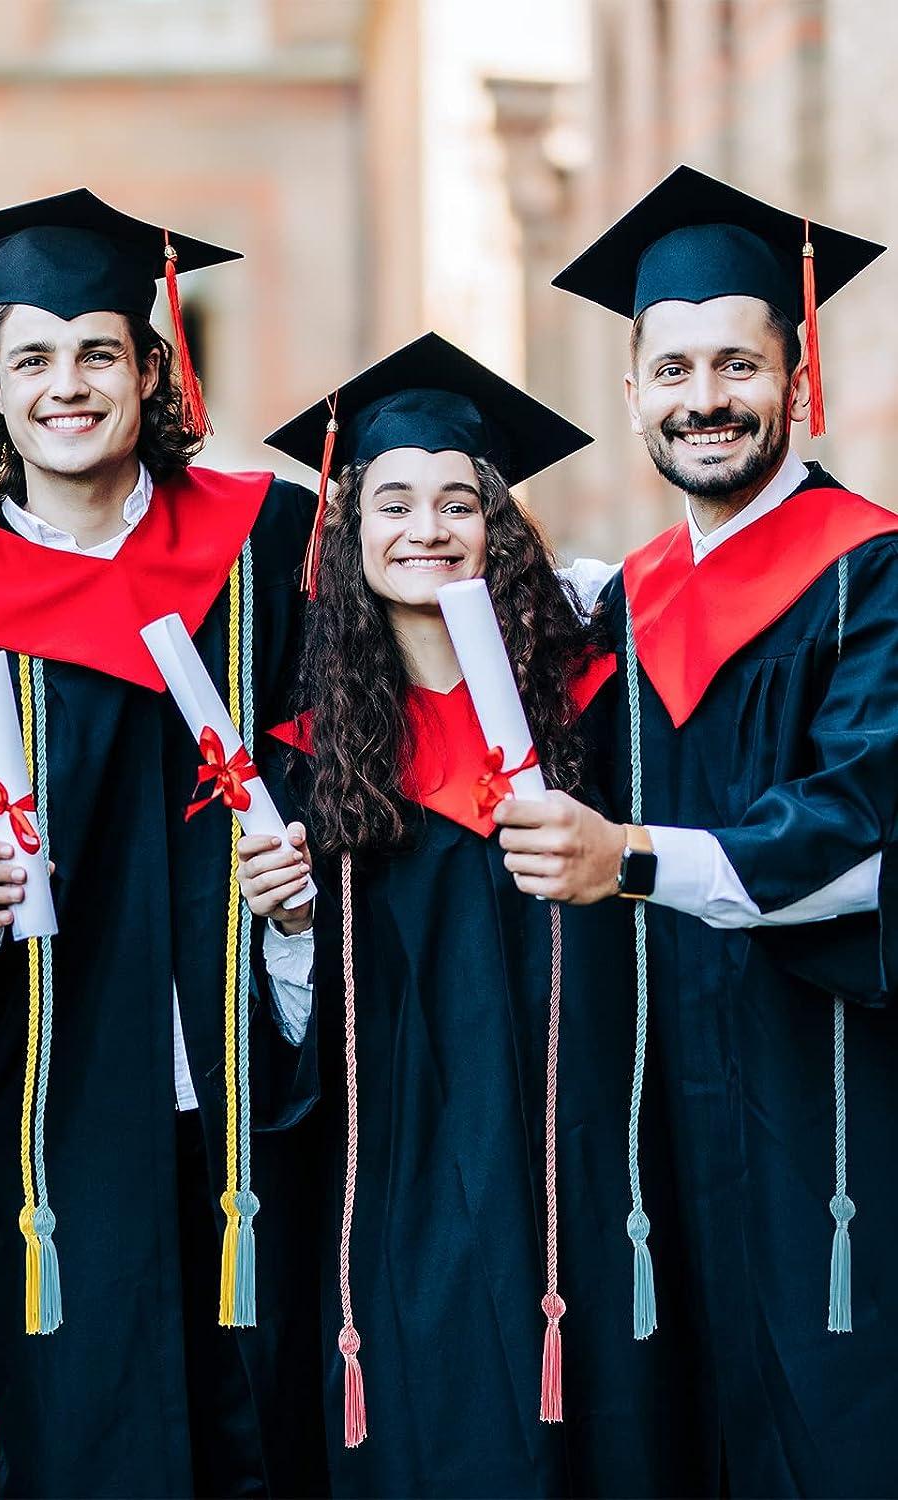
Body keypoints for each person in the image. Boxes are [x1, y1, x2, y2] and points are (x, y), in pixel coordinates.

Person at [0, 188, 326, 1497]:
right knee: (93, 1449)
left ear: (153, 368)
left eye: (99, 349)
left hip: (277, 1106)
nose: (68, 384)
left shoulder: (273, 549)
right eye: (32, 357)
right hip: (60, 1137)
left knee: (285, 1437)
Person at [495, 164, 898, 1496]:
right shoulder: (624, 606)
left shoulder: (873, 573)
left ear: (799, 376)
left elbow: (857, 832)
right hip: (654, 1109)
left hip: (831, 1101)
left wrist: (636, 859)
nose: (706, 398)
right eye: (672, 371)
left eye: (738, 363)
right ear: (632, 398)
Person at [244, 332, 698, 1495]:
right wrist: (285, 924)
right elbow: (296, 1032)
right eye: (392, 502)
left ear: (499, 528)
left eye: (460, 501)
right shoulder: (311, 751)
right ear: (348, 534)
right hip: (401, 1164)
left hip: (585, 1143)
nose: (428, 528)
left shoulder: (596, 707)